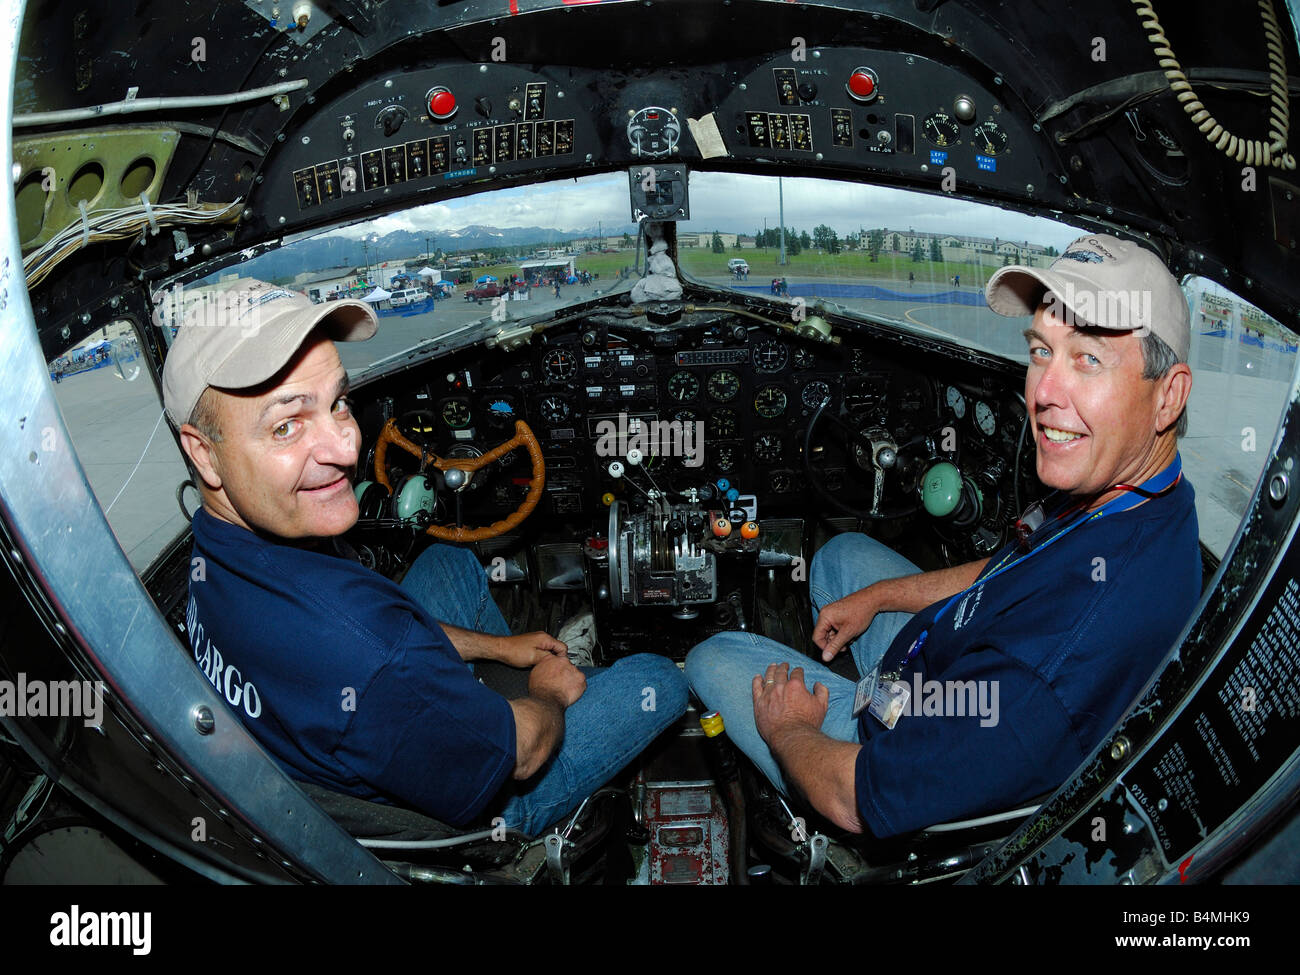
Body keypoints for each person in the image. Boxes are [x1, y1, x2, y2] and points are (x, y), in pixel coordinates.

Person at [687, 234, 1199, 836]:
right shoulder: (1140, 499)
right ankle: (863, 684)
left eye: (1088, 359)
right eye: (1041, 352)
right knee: (842, 557)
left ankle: (834, 742)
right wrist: (881, 597)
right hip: (941, 671)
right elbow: (1008, 572)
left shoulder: (1051, 671)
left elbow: (855, 799)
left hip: (906, 743)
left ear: (1169, 396)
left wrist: (789, 728)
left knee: (706, 657)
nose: (1043, 395)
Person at [164, 279, 687, 836]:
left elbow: (382, 637)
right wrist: (546, 693)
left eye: (338, 402)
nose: (347, 449)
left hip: (350, 732)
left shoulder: (216, 554)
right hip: (485, 798)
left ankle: (494, 670)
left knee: (448, 561)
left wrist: (501, 649)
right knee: (661, 681)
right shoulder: (364, 651)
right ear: (203, 452)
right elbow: (523, 751)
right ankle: (558, 700)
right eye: (286, 424)